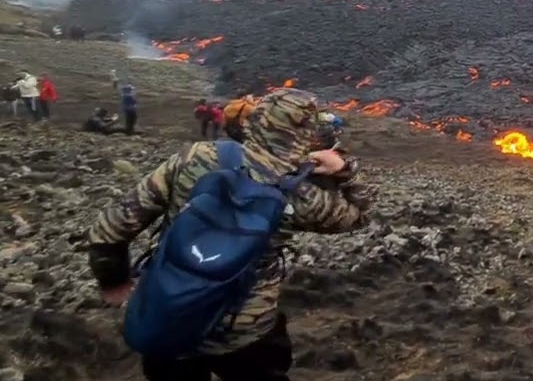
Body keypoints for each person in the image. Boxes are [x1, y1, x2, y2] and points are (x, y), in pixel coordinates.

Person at [86, 88, 375, 381]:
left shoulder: (196, 157)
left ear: (255, 120)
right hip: (245, 329)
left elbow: (112, 226)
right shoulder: (302, 194)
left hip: (168, 312)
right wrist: (345, 170)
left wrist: (113, 281)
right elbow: (360, 217)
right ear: (305, 135)